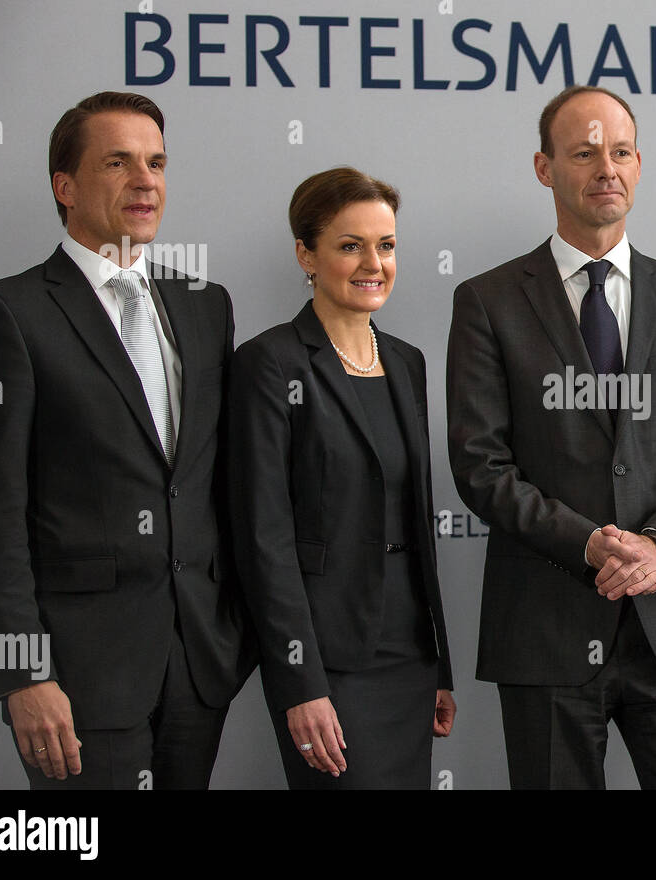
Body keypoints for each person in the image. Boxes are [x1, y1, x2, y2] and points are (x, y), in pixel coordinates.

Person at [446, 85, 656, 789]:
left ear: (639, 165)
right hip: (545, 631)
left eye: (619, 152)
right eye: (584, 153)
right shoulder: (487, 302)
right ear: (545, 167)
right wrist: (589, 544)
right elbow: (480, 465)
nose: (605, 169)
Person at [0, 91, 255, 789]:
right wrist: (23, 672)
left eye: (156, 162)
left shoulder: (208, 305)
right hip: (77, 678)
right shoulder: (8, 313)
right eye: (117, 162)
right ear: (65, 186)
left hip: (198, 667)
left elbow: (216, 482)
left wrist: (232, 632)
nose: (145, 181)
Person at [228, 167, 455, 789]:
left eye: (385, 245)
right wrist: (300, 682)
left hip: (409, 652)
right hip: (327, 661)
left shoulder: (408, 362)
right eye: (350, 245)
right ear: (306, 253)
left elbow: (416, 524)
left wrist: (439, 666)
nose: (373, 263)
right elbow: (263, 539)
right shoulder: (269, 363)